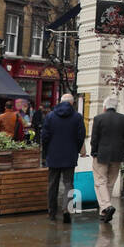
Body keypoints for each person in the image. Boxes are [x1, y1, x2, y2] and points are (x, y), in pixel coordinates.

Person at [41, 93, 86, 224]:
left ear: (60, 102)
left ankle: (52, 212)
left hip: (53, 154)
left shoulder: (50, 116)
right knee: (68, 183)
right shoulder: (77, 117)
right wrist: (76, 150)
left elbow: (44, 136)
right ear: (72, 103)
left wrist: (47, 152)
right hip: (69, 155)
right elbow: (80, 136)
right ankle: (67, 208)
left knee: (52, 184)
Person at [89, 97, 124, 224]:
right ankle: (104, 211)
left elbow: (94, 138)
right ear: (116, 107)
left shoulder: (98, 118)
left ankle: (107, 206)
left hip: (101, 155)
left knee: (100, 181)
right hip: (117, 155)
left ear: (105, 107)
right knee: (110, 182)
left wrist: (94, 152)